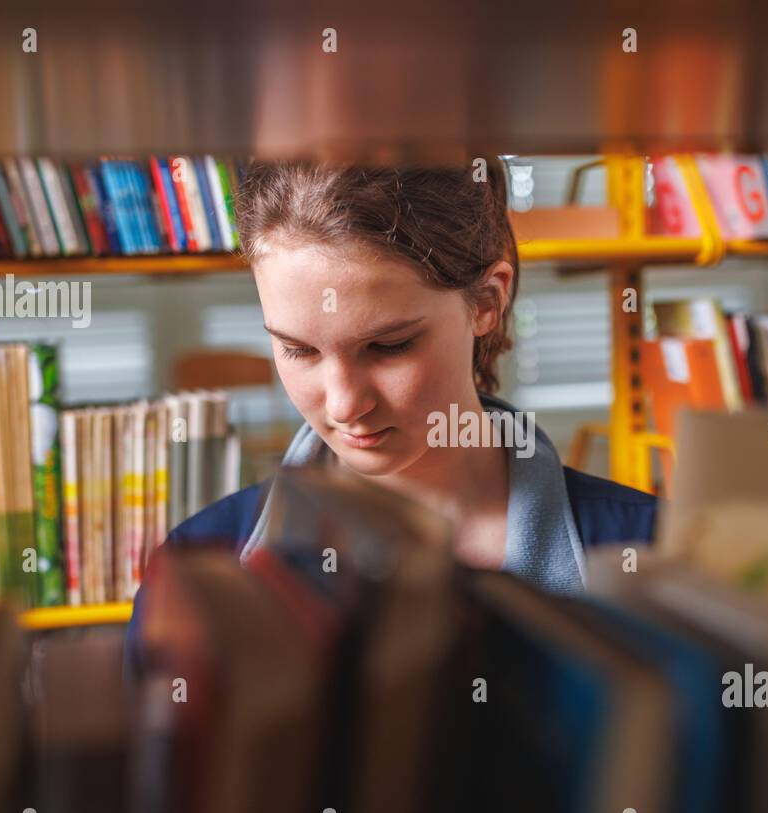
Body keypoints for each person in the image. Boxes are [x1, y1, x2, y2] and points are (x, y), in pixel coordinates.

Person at [125, 157, 657, 674]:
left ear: (488, 302)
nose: (343, 404)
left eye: (388, 345)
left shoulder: (652, 552)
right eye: (298, 350)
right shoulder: (195, 565)